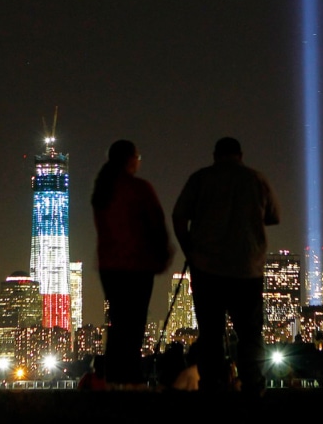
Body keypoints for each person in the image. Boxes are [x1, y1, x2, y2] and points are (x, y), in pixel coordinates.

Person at [172, 137, 280, 394]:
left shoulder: (200, 179)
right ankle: (253, 384)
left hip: (207, 268)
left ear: (215, 155)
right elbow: (274, 216)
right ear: (240, 155)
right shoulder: (256, 179)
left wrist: (190, 250)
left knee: (210, 332)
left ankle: (212, 384)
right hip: (247, 267)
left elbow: (178, 216)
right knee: (250, 332)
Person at [91, 140, 172, 387]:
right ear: (130, 159)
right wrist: (163, 253)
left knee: (118, 321)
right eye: (138, 157)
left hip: (109, 265)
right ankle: (130, 375)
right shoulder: (139, 188)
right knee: (135, 322)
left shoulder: (102, 190)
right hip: (137, 264)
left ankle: (114, 375)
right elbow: (156, 223)